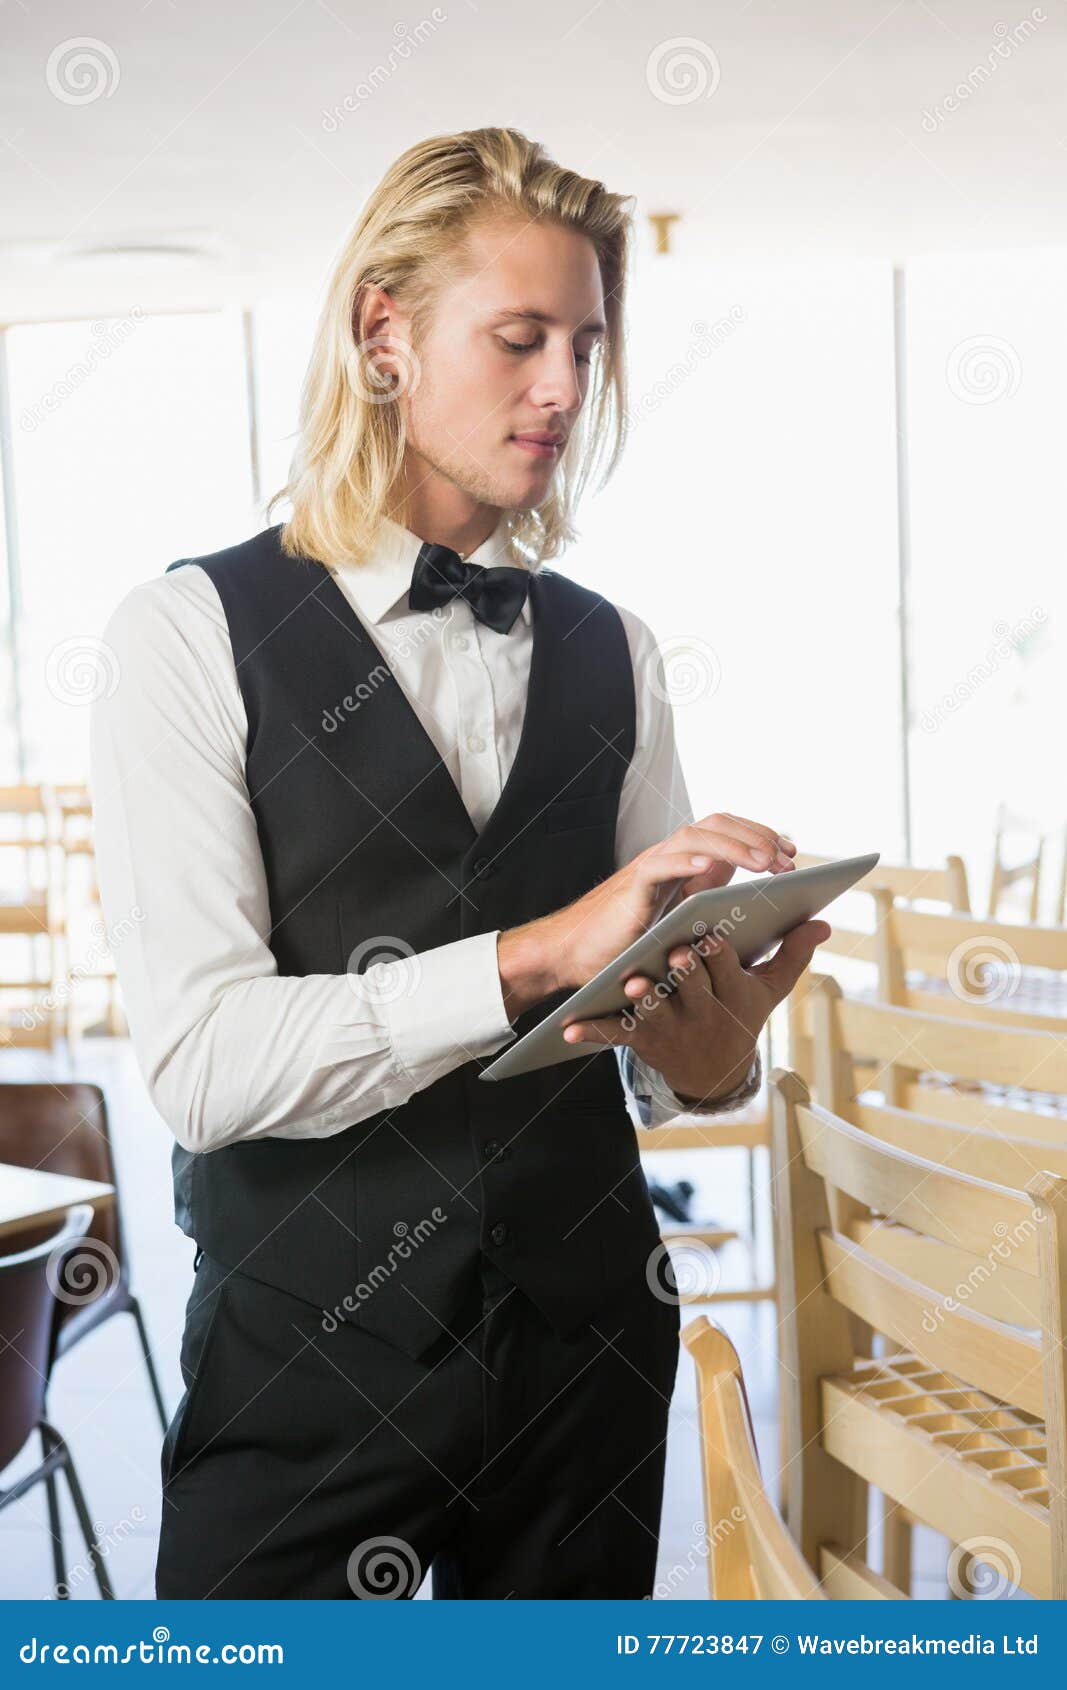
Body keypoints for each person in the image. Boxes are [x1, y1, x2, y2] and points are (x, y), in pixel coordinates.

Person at [89, 125, 829, 1600]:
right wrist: (534, 953)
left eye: (586, 343)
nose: (563, 387)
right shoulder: (179, 636)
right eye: (518, 338)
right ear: (384, 335)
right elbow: (202, 1061)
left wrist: (713, 1053)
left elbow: (641, 1047)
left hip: (586, 1357)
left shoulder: (612, 648)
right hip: (304, 1368)